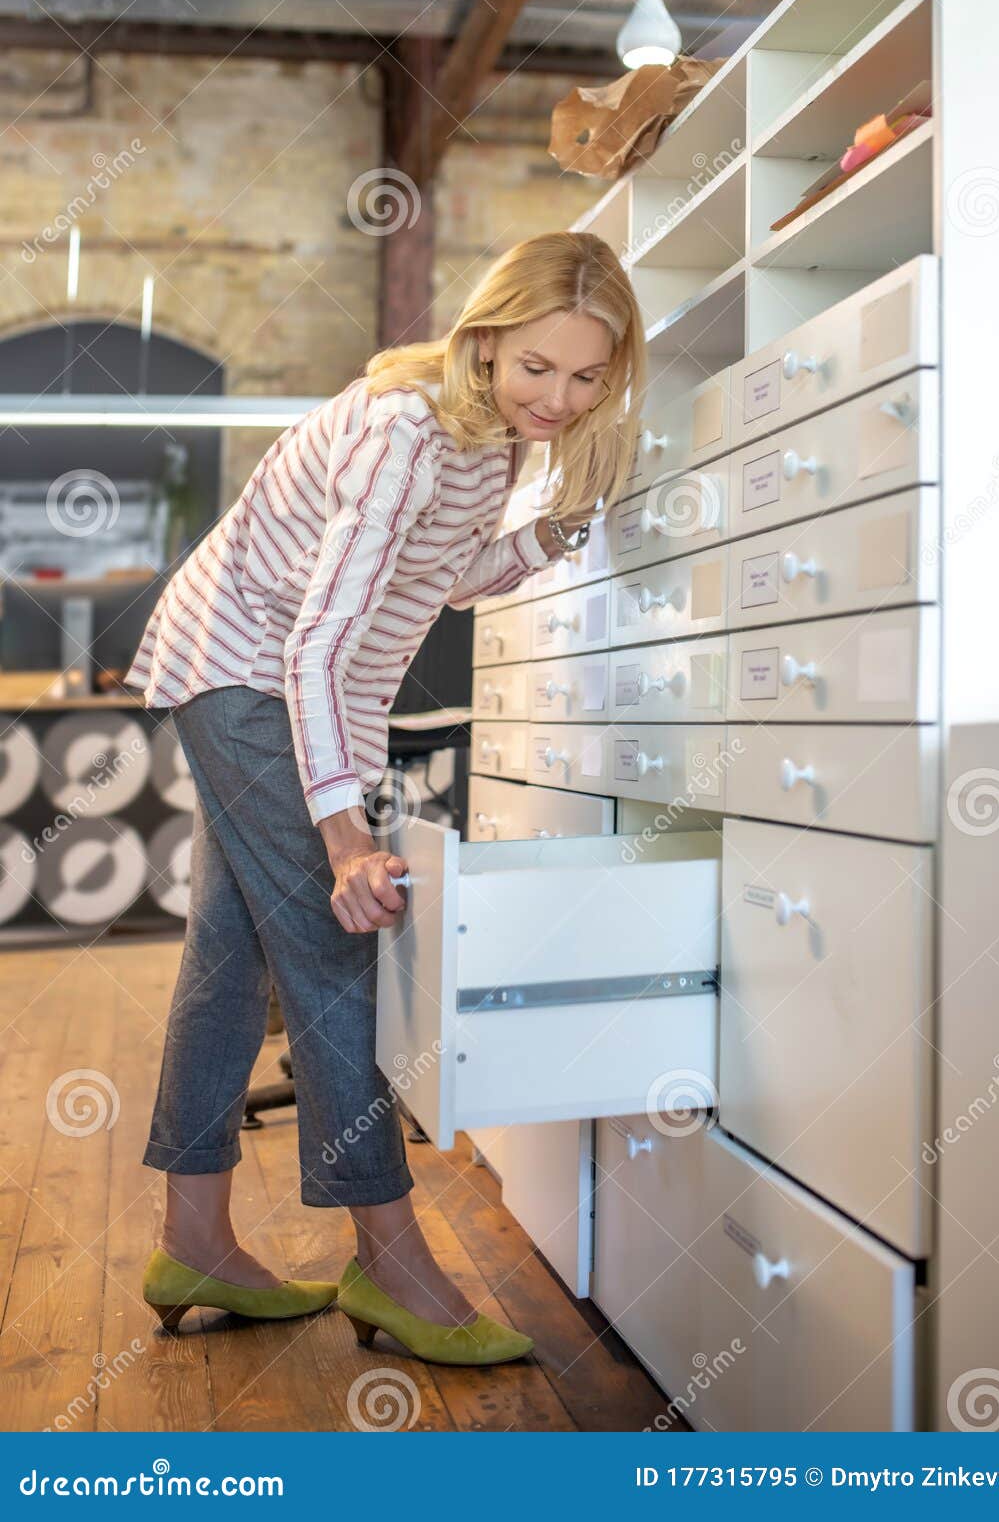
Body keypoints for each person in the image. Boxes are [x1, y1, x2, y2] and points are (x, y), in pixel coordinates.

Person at [129, 229, 646, 1363]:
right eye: (535, 367)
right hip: (248, 668)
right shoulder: (407, 428)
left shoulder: (490, 438)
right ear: (485, 339)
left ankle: (196, 1239)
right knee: (332, 941)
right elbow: (316, 642)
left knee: (232, 957)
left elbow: (437, 573)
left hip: (281, 681)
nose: (556, 396)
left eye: (584, 376)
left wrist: (543, 537)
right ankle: (391, 1260)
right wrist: (346, 839)